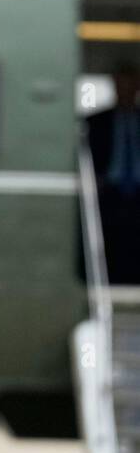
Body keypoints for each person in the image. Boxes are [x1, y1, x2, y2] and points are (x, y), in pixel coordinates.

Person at [85, 60, 140, 285]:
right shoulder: (95, 122)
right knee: (108, 244)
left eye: (131, 85)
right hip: (108, 193)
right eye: (121, 85)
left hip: (138, 193)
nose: (125, 91)